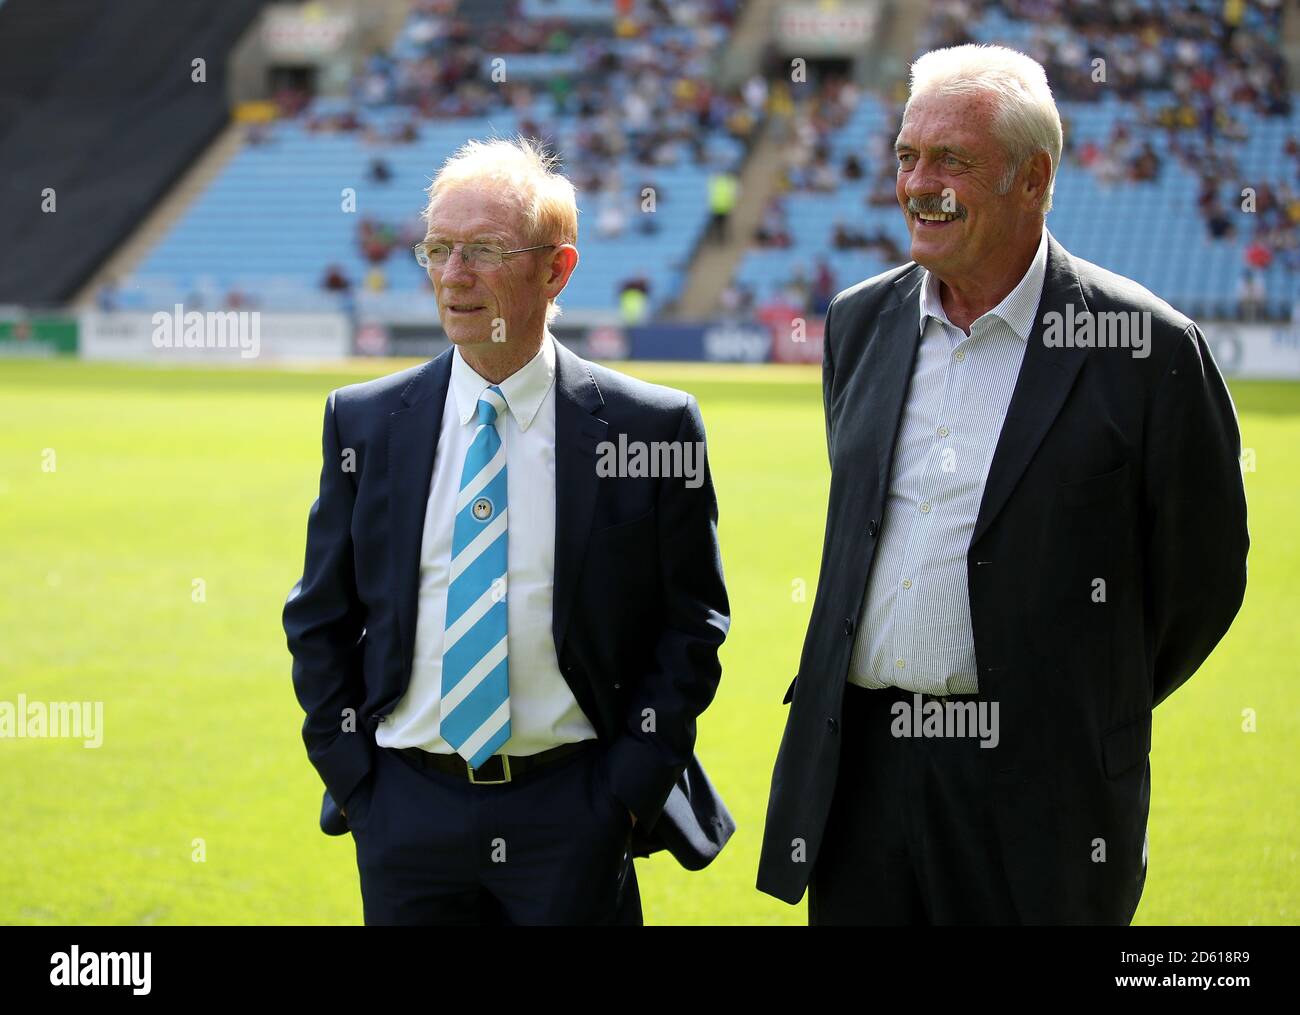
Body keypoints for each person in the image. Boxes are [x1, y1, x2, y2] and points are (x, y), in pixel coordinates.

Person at [757, 44, 1249, 925]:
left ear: (1034, 178)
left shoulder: (1151, 351)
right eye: (908, 155)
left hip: (1039, 790)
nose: (919, 183)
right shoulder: (858, 322)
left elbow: (1201, 584)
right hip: (861, 775)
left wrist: (1070, 701)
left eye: (953, 160)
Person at [284, 137, 733, 925]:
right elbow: (319, 616)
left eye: (484, 250)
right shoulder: (362, 422)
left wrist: (625, 794)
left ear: (555, 270)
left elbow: (691, 626)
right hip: (404, 809)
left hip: (575, 809)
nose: (454, 274)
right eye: (439, 249)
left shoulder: (650, 425)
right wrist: (357, 779)